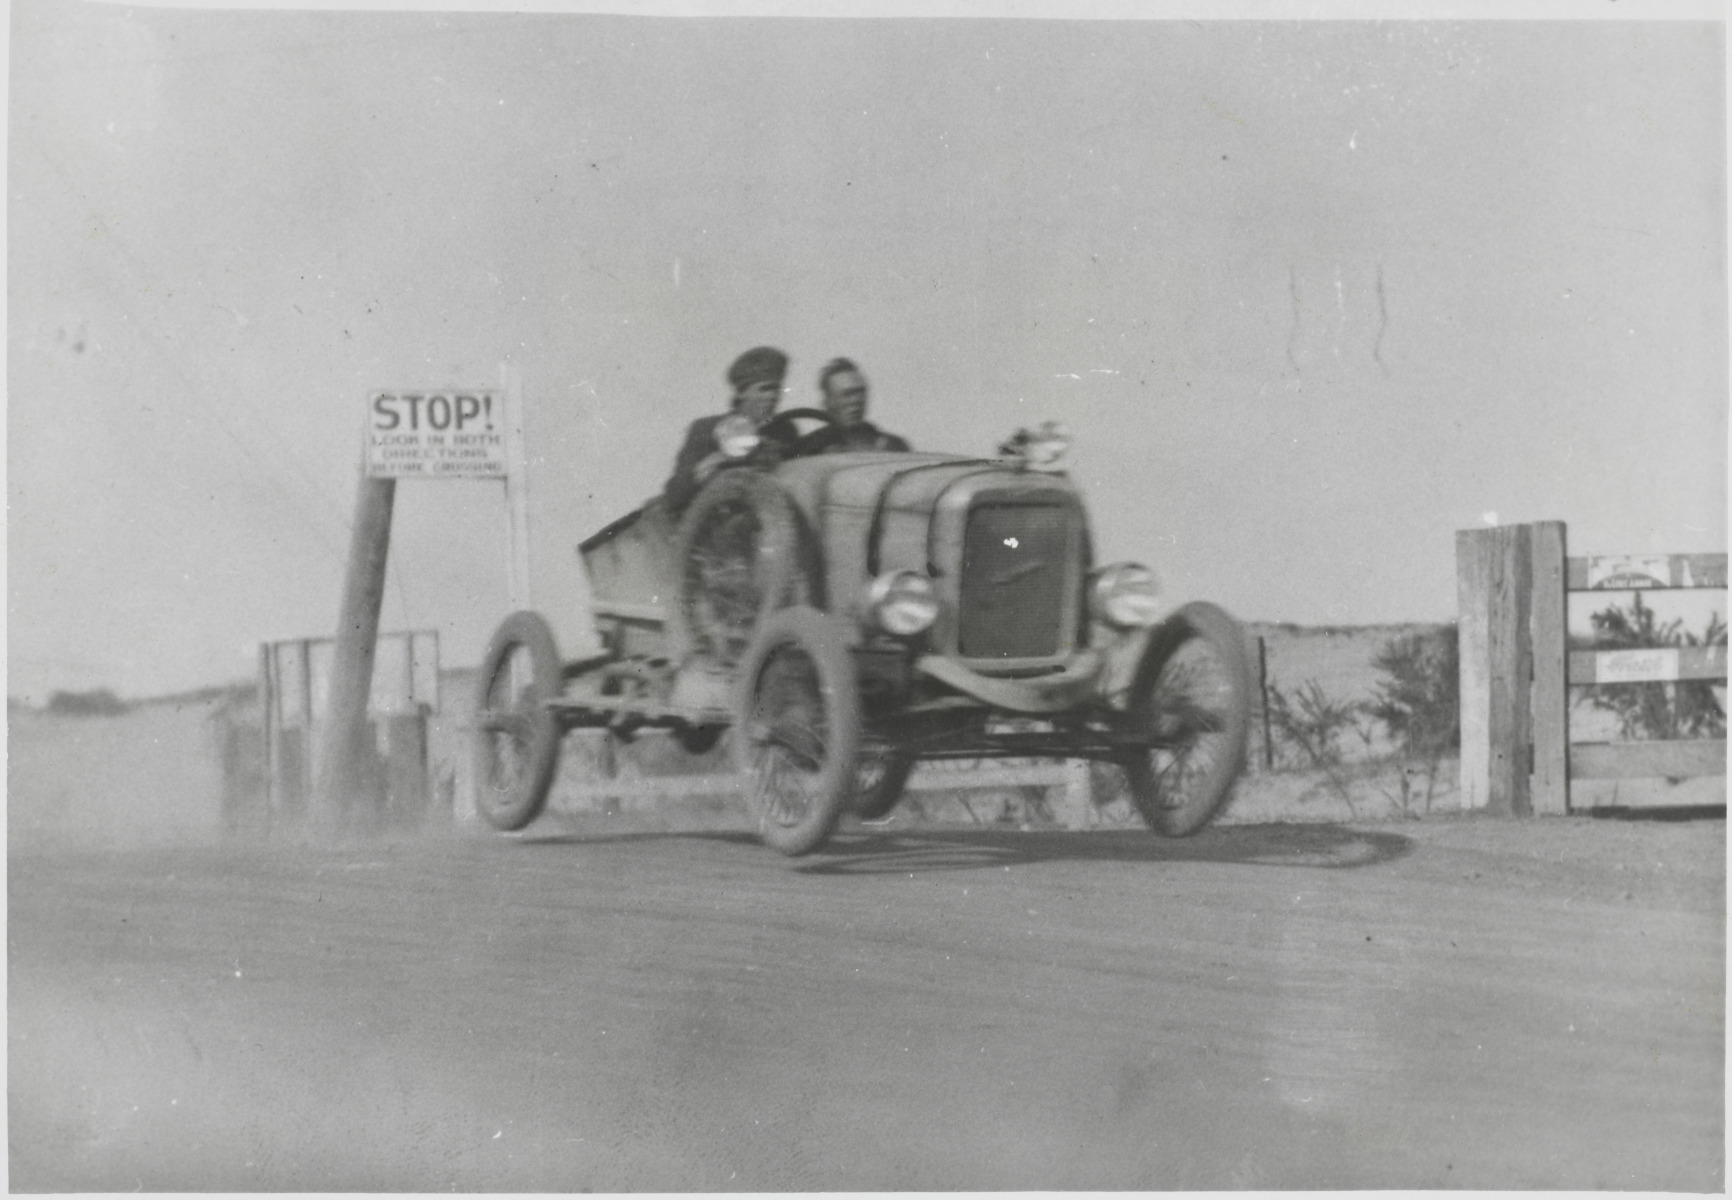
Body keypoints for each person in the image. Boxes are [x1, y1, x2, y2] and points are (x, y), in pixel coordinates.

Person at [663, 346, 793, 514]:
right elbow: (674, 495)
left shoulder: (785, 431)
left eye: (777, 389)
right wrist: (714, 462)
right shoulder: (706, 429)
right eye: (765, 389)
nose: (773, 396)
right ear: (741, 393)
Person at [792, 358, 912, 455]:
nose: (855, 400)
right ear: (827, 402)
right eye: (846, 394)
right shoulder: (807, 448)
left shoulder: (893, 446)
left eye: (860, 392)